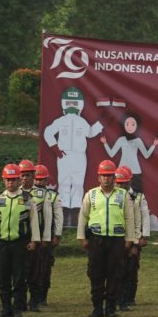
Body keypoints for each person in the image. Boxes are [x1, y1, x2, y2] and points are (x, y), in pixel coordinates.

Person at [77, 160, 135, 317]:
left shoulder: (123, 195)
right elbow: (83, 216)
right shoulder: (91, 194)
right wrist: (82, 237)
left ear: (114, 177)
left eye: (109, 176)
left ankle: (110, 307)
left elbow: (129, 218)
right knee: (96, 273)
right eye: (103, 176)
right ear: (98, 177)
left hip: (116, 241)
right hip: (96, 240)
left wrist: (130, 239)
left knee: (114, 273)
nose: (106, 179)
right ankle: (97, 307)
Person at [0, 164, 41, 317]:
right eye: (8, 180)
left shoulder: (27, 199)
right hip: (2, 243)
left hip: (20, 243)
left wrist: (34, 240)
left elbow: (33, 220)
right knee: (3, 276)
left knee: (19, 276)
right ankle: (6, 308)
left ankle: (18, 308)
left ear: (18, 180)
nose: (11, 183)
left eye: (13, 180)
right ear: (4, 180)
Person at [43, 86, 103, 226]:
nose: (72, 106)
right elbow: (47, 132)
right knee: (63, 183)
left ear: (80, 105)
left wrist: (102, 122)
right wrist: (55, 149)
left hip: (79, 156)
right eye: (69, 103)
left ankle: (75, 217)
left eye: (74, 103)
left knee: (77, 184)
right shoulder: (60, 121)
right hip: (63, 155)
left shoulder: (82, 121)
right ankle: (63, 218)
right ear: (64, 103)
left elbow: (90, 133)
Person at [17, 159, 53, 312]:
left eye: (28, 175)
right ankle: (20, 301)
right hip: (19, 237)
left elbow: (48, 217)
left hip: (36, 238)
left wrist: (45, 238)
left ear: (33, 175)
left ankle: (34, 301)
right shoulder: (14, 193)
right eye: (22, 175)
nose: (25, 178)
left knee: (35, 270)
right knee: (19, 270)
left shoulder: (43, 194)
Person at [115, 166, 150, 311]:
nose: (121, 185)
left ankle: (129, 298)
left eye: (124, 183)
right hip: (116, 239)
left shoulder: (138, 197)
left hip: (134, 239)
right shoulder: (112, 196)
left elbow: (145, 217)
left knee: (131, 269)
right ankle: (116, 297)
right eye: (118, 183)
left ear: (129, 181)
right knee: (116, 269)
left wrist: (142, 238)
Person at [100, 113, 158, 193]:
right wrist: (105, 143)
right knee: (119, 194)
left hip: (135, 172)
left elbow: (146, 155)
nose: (130, 127)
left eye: (133, 124)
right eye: (127, 124)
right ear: (123, 125)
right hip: (121, 172)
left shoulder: (138, 140)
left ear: (137, 126)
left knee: (136, 196)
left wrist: (153, 145)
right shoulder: (121, 139)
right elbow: (111, 153)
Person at [33, 164, 63, 306]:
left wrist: (57, 235)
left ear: (46, 181)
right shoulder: (26, 194)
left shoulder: (52, 196)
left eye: (41, 180)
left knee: (44, 267)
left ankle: (42, 296)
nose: (38, 183)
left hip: (47, 236)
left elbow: (58, 216)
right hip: (31, 236)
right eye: (36, 179)